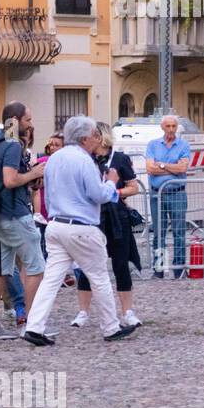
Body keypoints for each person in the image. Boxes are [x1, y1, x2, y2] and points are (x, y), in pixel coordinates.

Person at [21, 116, 139, 346]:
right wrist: (111, 182)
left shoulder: (55, 158)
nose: (98, 139)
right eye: (95, 134)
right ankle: (111, 327)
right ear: (85, 138)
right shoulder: (84, 161)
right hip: (81, 226)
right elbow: (99, 195)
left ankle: (34, 326)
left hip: (55, 224)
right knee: (100, 277)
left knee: (51, 279)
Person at [0, 103, 46, 340]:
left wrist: (28, 178)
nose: (31, 124)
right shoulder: (13, 144)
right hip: (16, 216)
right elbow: (9, 179)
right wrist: (34, 174)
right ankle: (32, 324)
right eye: (28, 119)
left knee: (0, 271)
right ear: (15, 120)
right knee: (37, 269)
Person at [69, 123, 143, 330]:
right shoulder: (86, 160)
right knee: (87, 265)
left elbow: (133, 187)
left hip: (117, 217)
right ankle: (83, 312)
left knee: (121, 265)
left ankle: (128, 312)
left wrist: (114, 192)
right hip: (92, 218)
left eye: (93, 134)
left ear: (101, 137)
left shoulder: (119, 159)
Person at [145, 113, 191, 279]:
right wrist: (173, 167)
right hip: (157, 194)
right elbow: (150, 168)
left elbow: (182, 169)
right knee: (159, 232)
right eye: (168, 126)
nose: (171, 129)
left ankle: (178, 269)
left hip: (177, 193)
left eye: (174, 126)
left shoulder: (183, 145)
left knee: (179, 232)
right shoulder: (152, 145)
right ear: (162, 127)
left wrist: (162, 165)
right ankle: (159, 269)